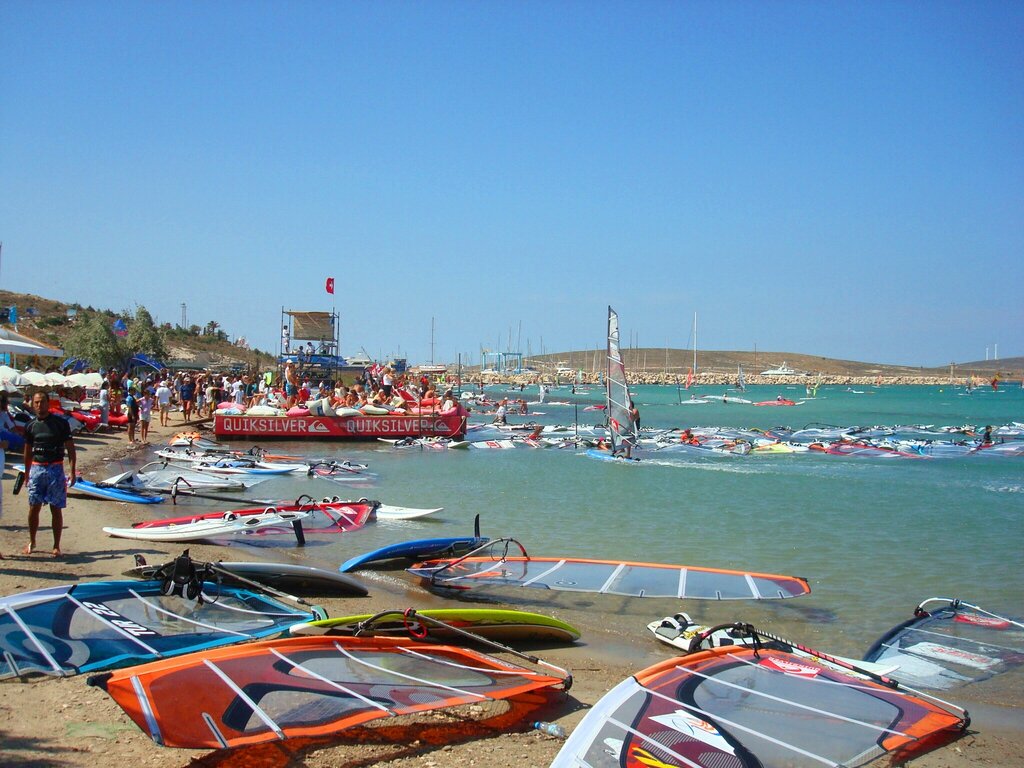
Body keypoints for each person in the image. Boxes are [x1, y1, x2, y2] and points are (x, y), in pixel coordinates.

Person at [22, 391, 76, 557]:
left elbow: (70, 449)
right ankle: (32, 541)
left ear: (48, 403)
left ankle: (56, 545)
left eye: (42, 402)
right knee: (34, 507)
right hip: (37, 469)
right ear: (33, 404)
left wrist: (72, 471)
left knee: (56, 508)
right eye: (36, 402)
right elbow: (27, 451)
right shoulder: (30, 425)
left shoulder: (61, 424)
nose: (39, 405)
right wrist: (26, 473)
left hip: (56, 469)